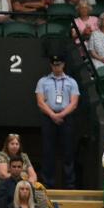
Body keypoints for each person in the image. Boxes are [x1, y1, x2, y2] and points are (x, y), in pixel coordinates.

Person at [35, 56, 79, 190]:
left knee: (68, 151)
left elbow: (74, 103)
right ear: (51, 65)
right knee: (48, 151)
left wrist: (61, 114)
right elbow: (40, 102)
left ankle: (70, 184)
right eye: (54, 65)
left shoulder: (71, 81)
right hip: (49, 117)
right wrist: (53, 115)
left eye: (58, 65)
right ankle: (48, 183)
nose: (56, 67)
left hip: (66, 118)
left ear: (63, 65)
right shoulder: (43, 81)